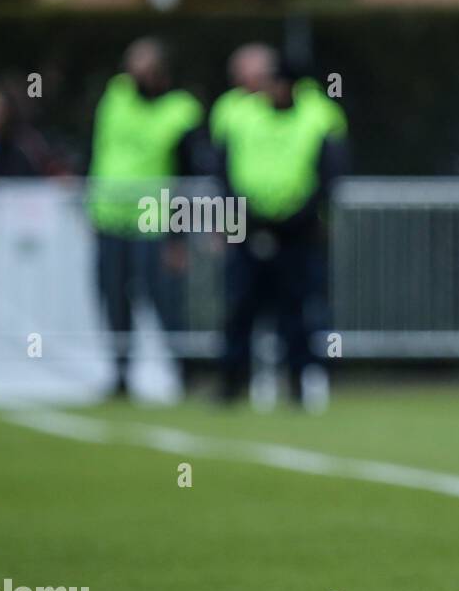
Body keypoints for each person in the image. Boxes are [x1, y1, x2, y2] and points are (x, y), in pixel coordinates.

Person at [215, 56, 348, 407]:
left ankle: (300, 384)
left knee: (298, 311)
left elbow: (328, 173)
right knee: (240, 307)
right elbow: (225, 170)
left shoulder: (317, 115)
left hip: (297, 231)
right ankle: (231, 382)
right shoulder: (242, 114)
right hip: (248, 226)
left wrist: (299, 216)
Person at [87, 38, 207, 397]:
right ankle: (121, 375)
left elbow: (189, 175)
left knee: (166, 301)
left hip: (155, 221)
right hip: (109, 219)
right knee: (113, 300)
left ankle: (183, 373)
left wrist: (177, 236)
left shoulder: (181, 111)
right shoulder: (116, 96)